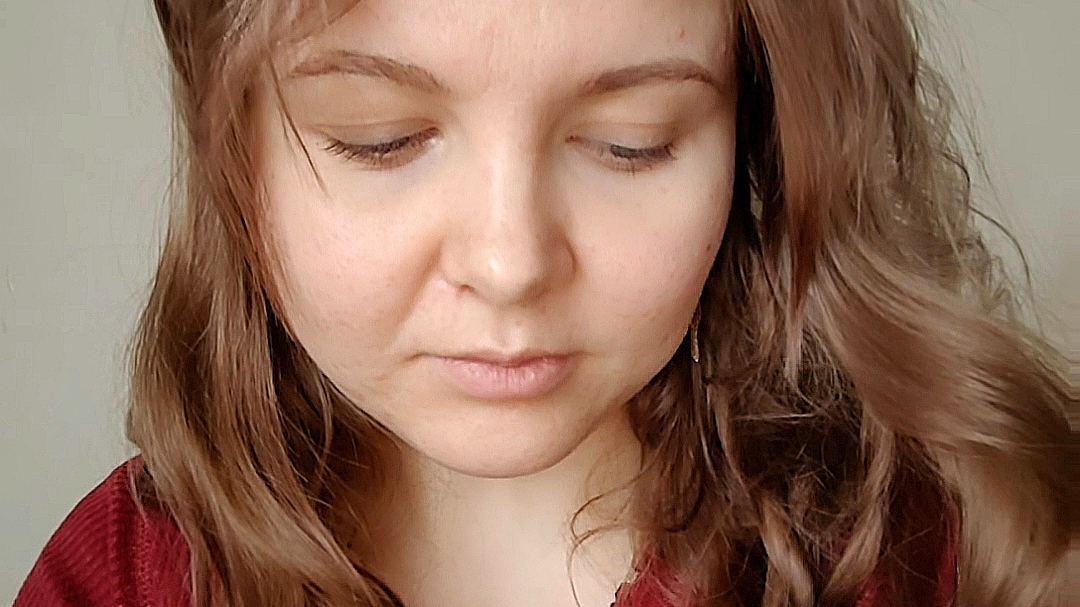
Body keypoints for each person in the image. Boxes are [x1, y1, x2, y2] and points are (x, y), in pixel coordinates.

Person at [14, 0, 1075, 605]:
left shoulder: (921, 555)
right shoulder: (121, 580)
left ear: (750, 134)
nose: (510, 261)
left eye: (631, 143)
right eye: (381, 137)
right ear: (234, 152)